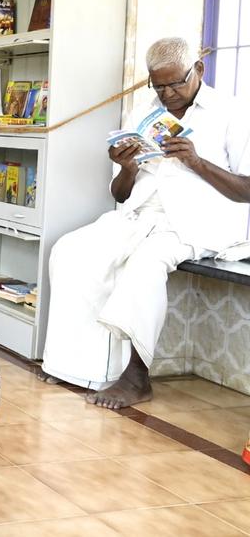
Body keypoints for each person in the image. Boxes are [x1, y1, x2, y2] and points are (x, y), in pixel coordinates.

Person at [41, 37, 250, 409]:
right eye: (158, 85)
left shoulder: (232, 112)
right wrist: (126, 166)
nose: (167, 93)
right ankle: (73, 366)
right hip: (141, 215)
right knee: (70, 251)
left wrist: (197, 162)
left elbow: (245, 191)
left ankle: (137, 378)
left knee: (145, 265)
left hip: (200, 223)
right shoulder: (143, 113)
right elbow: (121, 195)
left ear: (198, 70)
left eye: (176, 83)